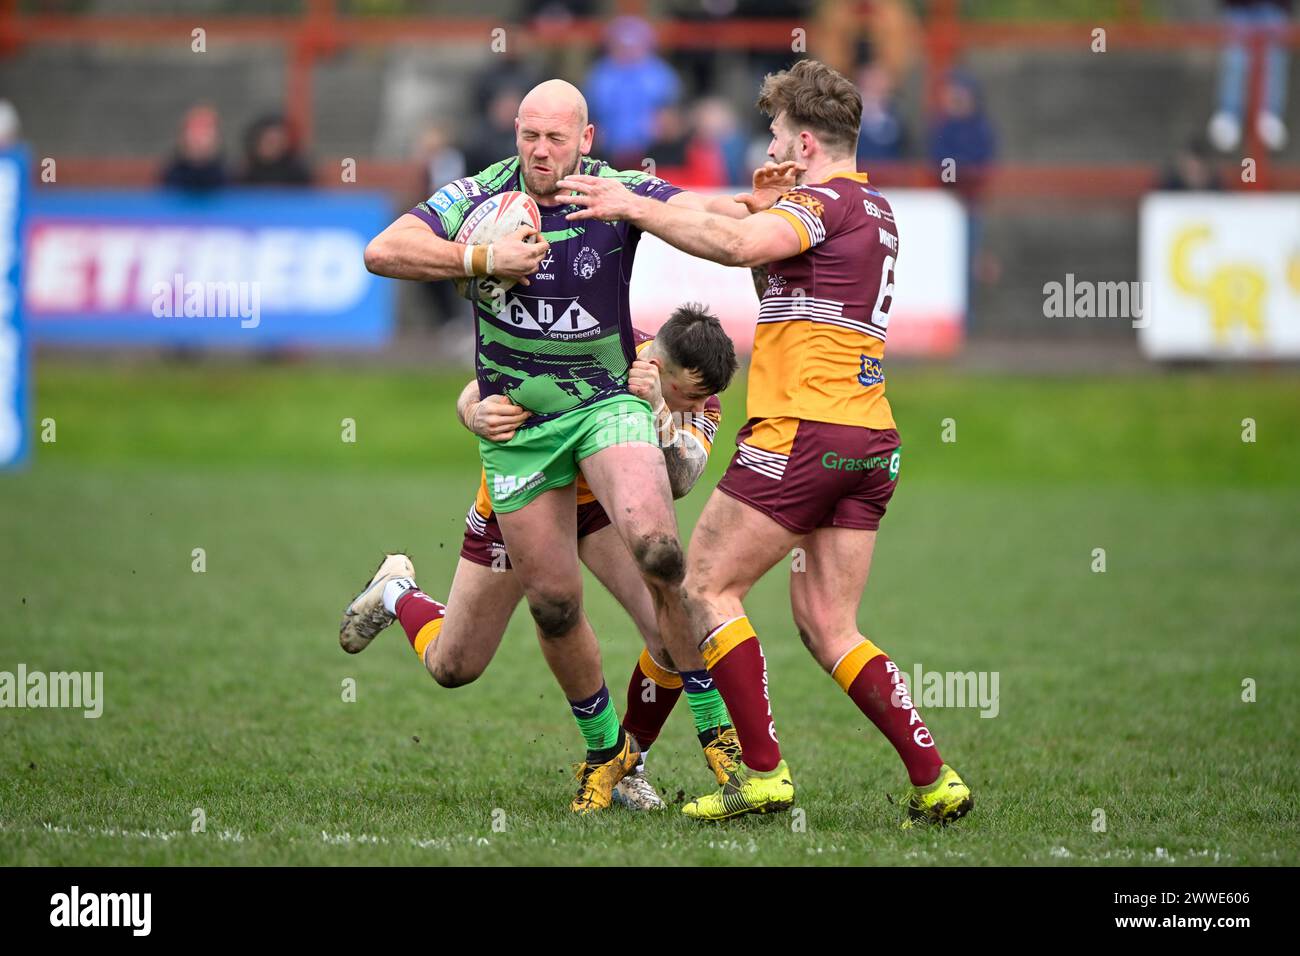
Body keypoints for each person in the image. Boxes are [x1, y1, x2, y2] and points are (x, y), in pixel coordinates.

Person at [362, 78, 799, 813]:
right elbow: (383, 250)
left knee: (661, 553)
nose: (539, 150)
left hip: (603, 411)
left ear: (585, 140)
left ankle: (718, 740)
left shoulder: (613, 194)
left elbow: (693, 208)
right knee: (541, 615)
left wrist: (757, 205)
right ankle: (606, 754)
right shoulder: (477, 200)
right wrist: (481, 262)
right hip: (523, 435)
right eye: (528, 135)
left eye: (555, 137)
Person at [558, 58, 974, 825]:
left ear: (809, 142)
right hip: (867, 442)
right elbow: (766, 267)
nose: (774, 147)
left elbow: (741, 246)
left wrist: (632, 207)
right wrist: (740, 207)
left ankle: (762, 772)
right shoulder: (872, 208)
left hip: (803, 432)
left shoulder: (828, 201)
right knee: (828, 625)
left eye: (781, 134)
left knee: (703, 587)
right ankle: (934, 779)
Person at [339, 308, 740, 811]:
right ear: (658, 364)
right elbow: (479, 388)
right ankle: (397, 590)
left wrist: (663, 409)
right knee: (454, 666)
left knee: (670, 621)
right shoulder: (603, 344)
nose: (700, 407)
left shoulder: (698, 405)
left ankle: (623, 764)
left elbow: (681, 480)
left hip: (597, 508)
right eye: (691, 395)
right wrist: (473, 413)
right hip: (524, 499)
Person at [1207, 0, 1292, 152]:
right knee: (1235, 60)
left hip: (1275, 6)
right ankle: (1230, 113)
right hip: (1238, 7)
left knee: (1274, 60)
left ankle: (1270, 112)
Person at [160, 104, 227, 192]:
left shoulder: (229, 177)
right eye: (194, 129)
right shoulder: (169, 176)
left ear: (217, 137)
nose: (199, 136)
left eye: (206, 129)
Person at [238, 114, 312, 186]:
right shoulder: (243, 173)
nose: (274, 146)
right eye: (269, 141)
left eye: (279, 141)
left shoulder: (296, 174)